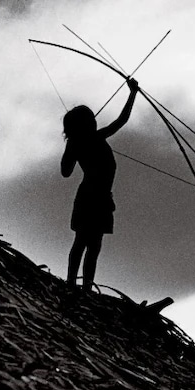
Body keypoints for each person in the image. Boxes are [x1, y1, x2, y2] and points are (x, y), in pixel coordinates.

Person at [60, 77, 139, 294]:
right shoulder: (86, 140)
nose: (94, 121)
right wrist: (72, 147)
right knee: (84, 242)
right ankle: (71, 284)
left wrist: (133, 94)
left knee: (93, 245)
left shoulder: (90, 139)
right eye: (90, 119)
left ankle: (84, 287)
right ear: (85, 125)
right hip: (91, 198)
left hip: (101, 198)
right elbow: (66, 171)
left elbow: (121, 121)